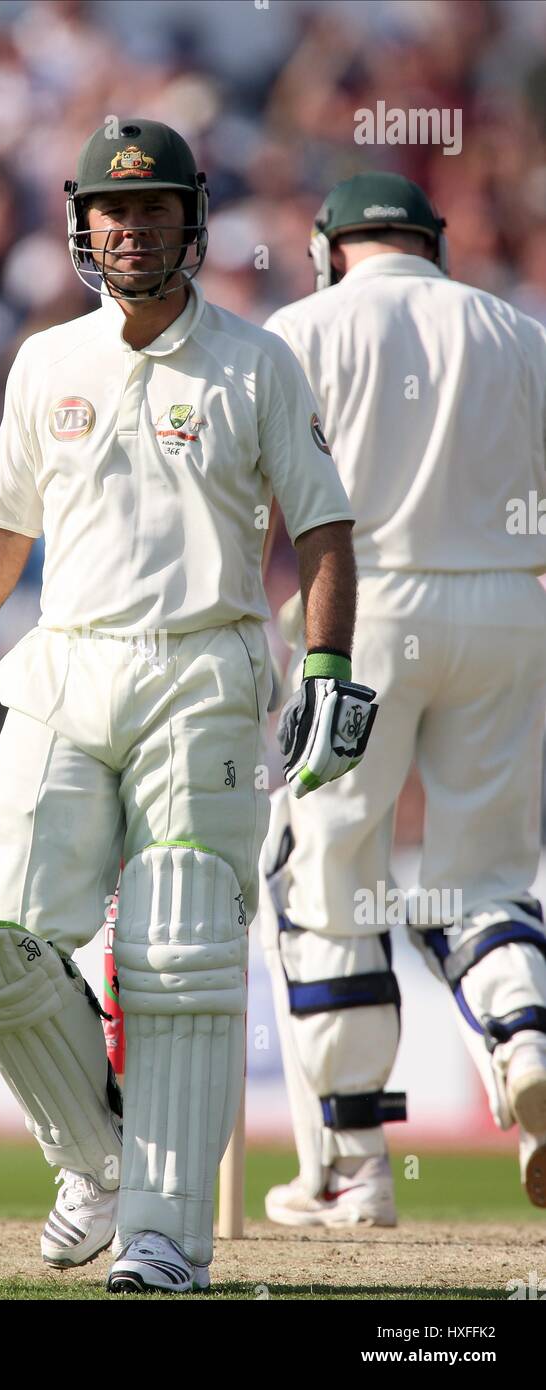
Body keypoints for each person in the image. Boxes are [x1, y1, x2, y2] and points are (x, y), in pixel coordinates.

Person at [0, 119, 374, 1292]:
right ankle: (95, 1162)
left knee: (179, 950)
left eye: (154, 213)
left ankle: (162, 1236)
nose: (132, 230)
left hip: (202, 670)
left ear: (191, 223)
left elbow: (322, 528)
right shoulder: (45, 362)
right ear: (81, 226)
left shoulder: (255, 364)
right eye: (114, 212)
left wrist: (325, 668)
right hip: (63, 664)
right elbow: (2, 524)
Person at [260, 171, 546, 1228]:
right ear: (430, 244)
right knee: (483, 877)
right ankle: (520, 1035)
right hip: (511, 606)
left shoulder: (299, 328)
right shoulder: (519, 332)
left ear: (331, 244)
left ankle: (352, 1166)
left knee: (324, 875)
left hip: (361, 611)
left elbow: (256, 512)